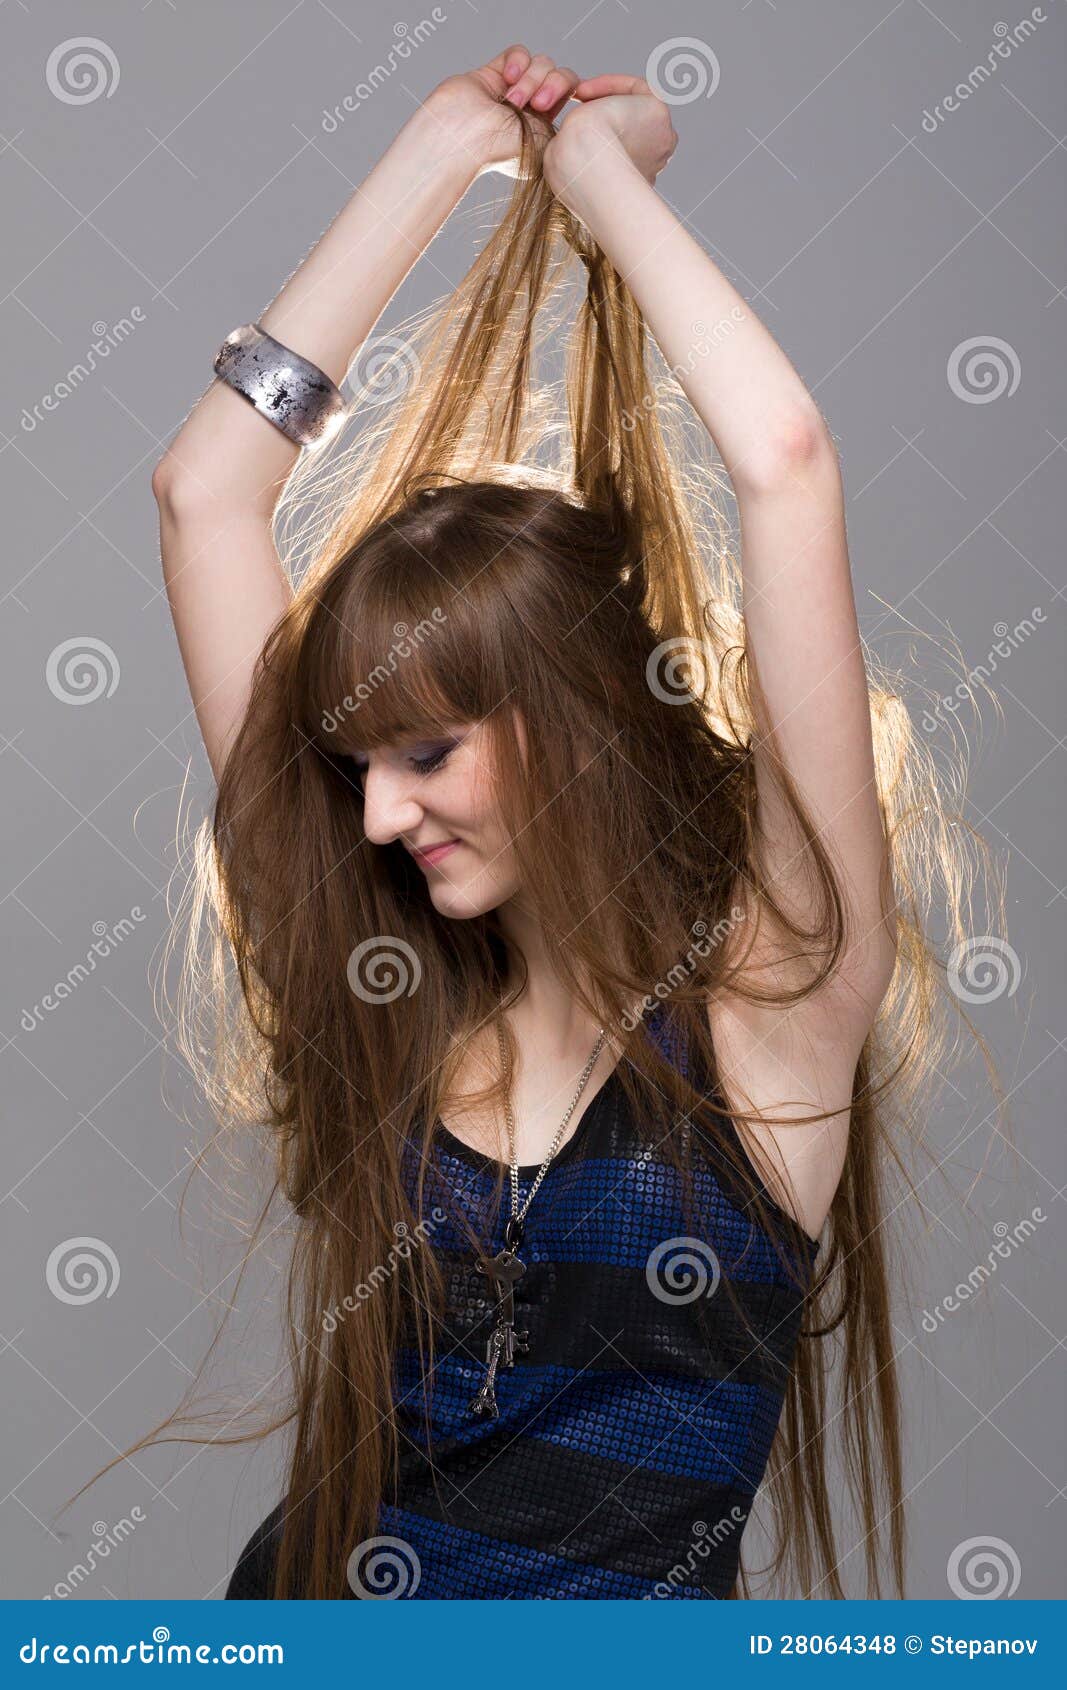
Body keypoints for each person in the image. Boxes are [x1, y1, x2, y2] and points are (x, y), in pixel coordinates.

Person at [129, 46, 982, 1599]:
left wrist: (597, 179)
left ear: (575, 724)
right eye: (358, 758)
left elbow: (784, 462)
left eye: (428, 751)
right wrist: (449, 147)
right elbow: (204, 495)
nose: (375, 813)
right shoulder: (378, 1007)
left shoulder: (775, 1016)